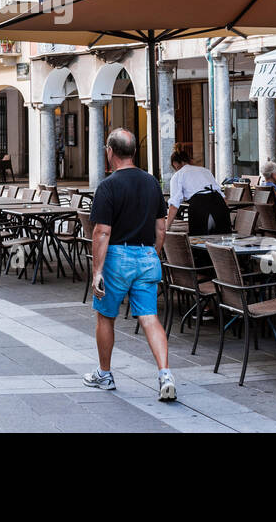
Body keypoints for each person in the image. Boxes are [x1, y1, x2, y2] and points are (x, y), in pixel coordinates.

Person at [84, 128, 176, 403]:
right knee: (149, 317)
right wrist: (153, 254)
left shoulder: (108, 186)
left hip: (117, 257)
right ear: (134, 152)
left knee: (105, 316)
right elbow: (161, 228)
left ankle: (105, 373)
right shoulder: (151, 183)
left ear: (110, 152)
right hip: (146, 254)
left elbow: (102, 231)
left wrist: (97, 271)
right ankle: (165, 374)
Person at [165, 147, 230, 235]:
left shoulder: (178, 175)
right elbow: (223, 197)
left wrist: (166, 227)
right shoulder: (205, 170)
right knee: (221, 245)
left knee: (199, 244)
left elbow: (174, 205)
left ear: (175, 163)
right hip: (219, 206)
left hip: (200, 208)